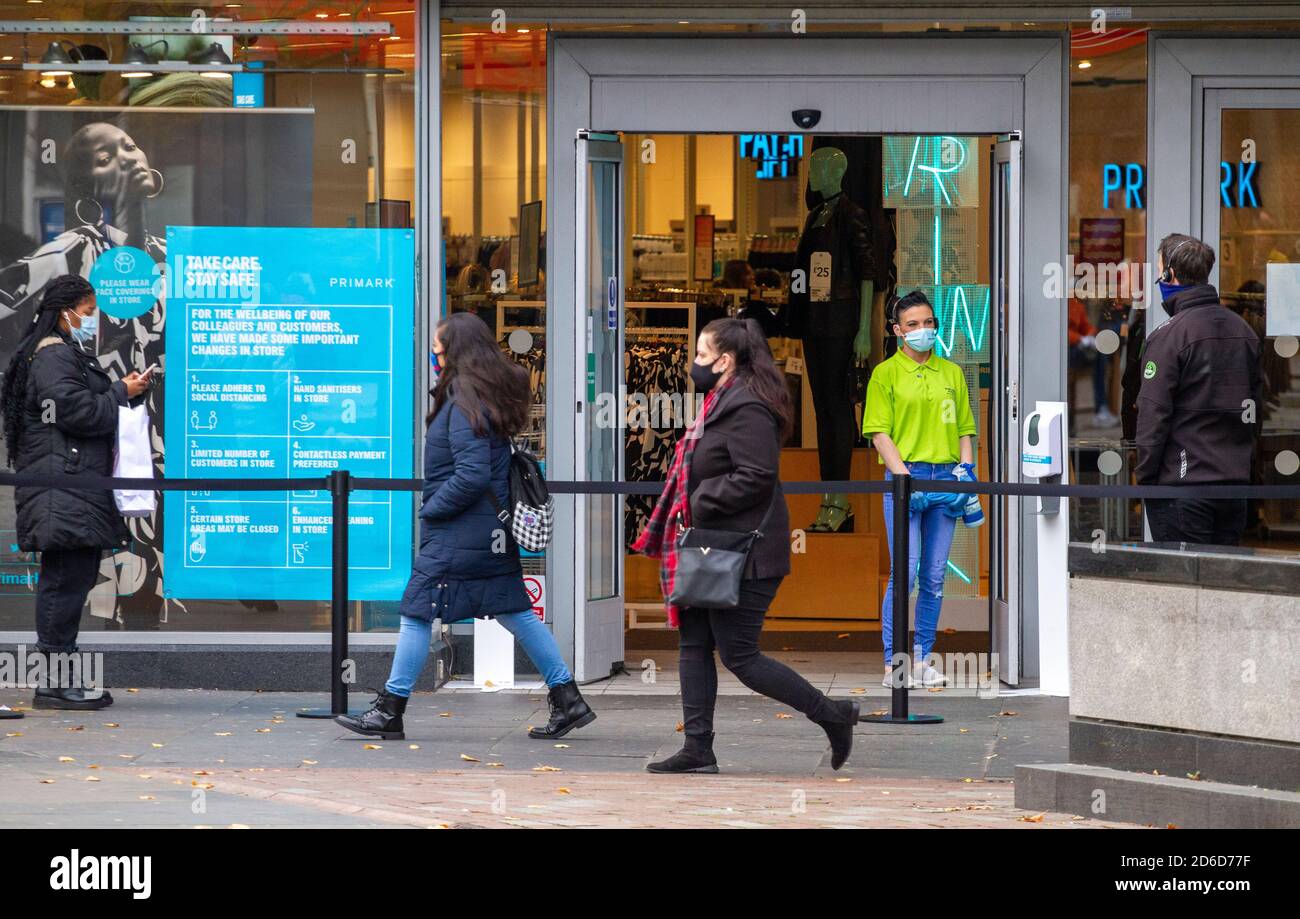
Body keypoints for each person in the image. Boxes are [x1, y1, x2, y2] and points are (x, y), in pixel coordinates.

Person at [337, 311, 595, 742]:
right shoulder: (485, 397)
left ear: (455, 352)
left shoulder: (463, 402)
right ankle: (568, 700)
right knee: (516, 612)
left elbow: (471, 473)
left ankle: (390, 710)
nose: (435, 359)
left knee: (417, 612)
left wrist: (432, 508)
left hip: (458, 533)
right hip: (486, 534)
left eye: (438, 351)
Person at [634, 317, 860, 774]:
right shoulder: (721, 399)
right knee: (694, 644)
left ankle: (833, 715)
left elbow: (756, 477)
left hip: (744, 554)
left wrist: (699, 498)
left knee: (740, 654)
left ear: (725, 360)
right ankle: (698, 749)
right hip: (711, 546)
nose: (693, 363)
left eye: (701, 355)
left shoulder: (748, 406)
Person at [0, 120, 167, 630]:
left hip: (149, 434)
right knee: (86, 566)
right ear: (86, 186)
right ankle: (70, 661)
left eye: (132, 145)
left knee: (146, 550)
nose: (127, 157)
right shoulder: (72, 253)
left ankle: (129, 635)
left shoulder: (162, 254)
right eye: (105, 156)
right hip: (90, 447)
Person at [0, 275, 151, 709]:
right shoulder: (52, 356)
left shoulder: (59, 353)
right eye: (86, 312)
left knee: (72, 581)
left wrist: (126, 392)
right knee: (64, 584)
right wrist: (122, 391)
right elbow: (75, 411)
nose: (90, 319)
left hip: (70, 486)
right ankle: (53, 683)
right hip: (62, 488)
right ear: (65, 310)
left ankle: (61, 680)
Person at [861, 291, 979, 689]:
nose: (922, 330)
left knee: (932, 575)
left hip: (946, 478)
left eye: (928, 322)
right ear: (897, 331)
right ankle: (893, 663)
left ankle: (924, 658)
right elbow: (879, 434)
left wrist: (965, 471)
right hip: (903, 475)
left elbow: (966, 429)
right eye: (912, 324)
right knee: (904, 570)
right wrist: (903, 478)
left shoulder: (952, 373)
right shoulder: (885, 374)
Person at [1136, 234, 1262, 546]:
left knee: (1181, 586)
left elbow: (1153, 413)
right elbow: (1255, 410)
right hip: (1234, 486)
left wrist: (1144, 478)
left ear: (1169, 275)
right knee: (1222, 587)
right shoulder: (1243, 331)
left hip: (1182, 488)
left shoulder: (1169, 336)